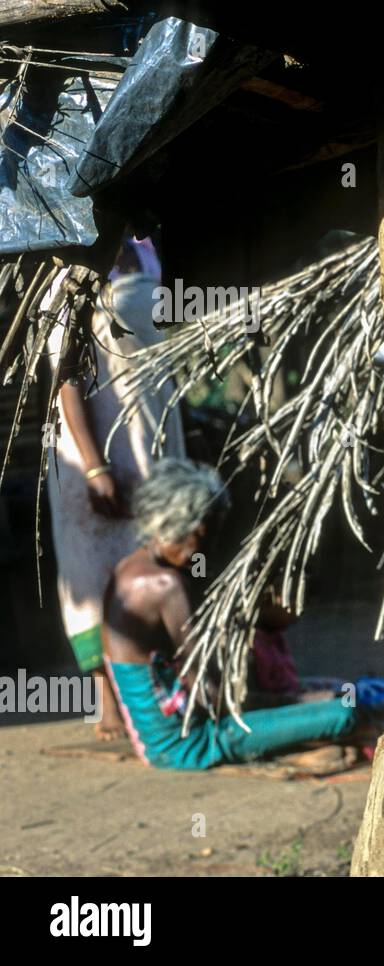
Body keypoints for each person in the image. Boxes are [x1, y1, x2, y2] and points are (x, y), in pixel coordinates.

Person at [100, 457, 357, 770]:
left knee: (333, 693)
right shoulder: (166, 586)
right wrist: (292, 704)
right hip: (190, 744)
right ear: (184, 528)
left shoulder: (126, 569)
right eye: (204, 537)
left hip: (163, 737)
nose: (205, 549)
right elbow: (214, 696)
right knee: (344, 709)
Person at [44, 235, 185, 739]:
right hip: (94, 453)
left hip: (153, 445)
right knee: (92, 573)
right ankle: (108, 701)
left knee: (153, 561)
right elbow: (66, 381)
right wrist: (95, 467)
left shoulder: (149, 253)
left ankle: (154, 694)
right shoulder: (70, 272)